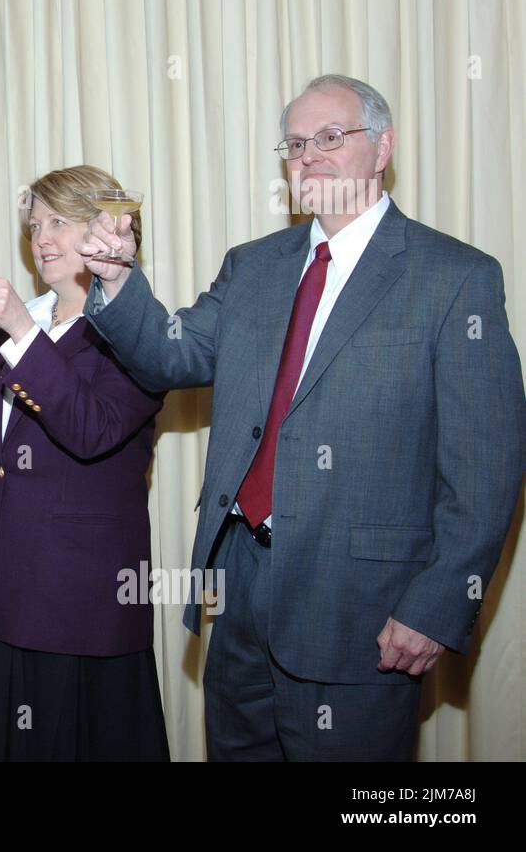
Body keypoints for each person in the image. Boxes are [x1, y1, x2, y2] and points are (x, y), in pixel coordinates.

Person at [80, 74, 526, 760]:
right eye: (293, 144)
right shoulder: (253, 266)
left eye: (328, 138)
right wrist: (116, 280)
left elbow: (487, 467)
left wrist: (435, 603)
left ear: (383, 147)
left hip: (364, 606)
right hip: (238, 591)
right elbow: (174, 356)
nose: (307, 157)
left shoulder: (454, 276)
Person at [0, 167, 169, 761]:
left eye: (60, 222)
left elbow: (92, 432)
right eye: (36, 223)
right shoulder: (21, 325)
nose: (42, 237)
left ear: (110, 228)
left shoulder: (140, 330)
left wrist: (19, 327)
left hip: (79, 597)